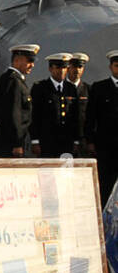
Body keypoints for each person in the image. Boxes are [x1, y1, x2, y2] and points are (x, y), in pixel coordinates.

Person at [30, 52, 80, 158]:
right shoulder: (40, 88)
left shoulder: (71, 88)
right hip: (47, 141)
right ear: (50, 69)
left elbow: (76, 116)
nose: (61, 71)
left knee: (66, 172)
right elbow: (34, 115)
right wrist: (35, 141)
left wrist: (76, 141)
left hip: (67, 142)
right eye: (57, 67)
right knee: (47, 172)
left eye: (64, 68)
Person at [0, 44, 37, 157]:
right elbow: (13, 114)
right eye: (29, 61)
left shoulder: (12, 79)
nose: (32, 65)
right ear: (17, 60)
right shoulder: (13, 82)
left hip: (9, 141)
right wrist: (17, 143)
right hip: (10, 144)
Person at [85, 49, 118, 202]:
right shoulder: (100, 88)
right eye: (117, 65)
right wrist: (90, 141)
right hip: (106, 145)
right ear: (111, 67)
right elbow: (90, 116)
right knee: (105, 183)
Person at [68, 53, 89, 151]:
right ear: (68, 68)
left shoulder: (88, 89)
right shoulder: (62, 88)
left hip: (83, 138)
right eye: (74, 67)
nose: (77, 70)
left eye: (80, 67)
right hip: (66, 138)